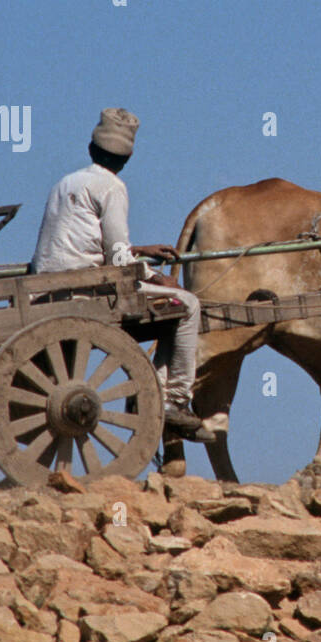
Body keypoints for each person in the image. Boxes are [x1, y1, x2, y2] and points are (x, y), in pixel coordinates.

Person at [31, 108, 204, 439]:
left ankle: (163, 395)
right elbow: (119, 259)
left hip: (45, 284)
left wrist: (141, 250)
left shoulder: (66, 182)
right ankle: (175, 400)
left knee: (174, 303)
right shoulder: (112, 188)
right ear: (127, 159)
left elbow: (80, 240)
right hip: (87, 289)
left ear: (90, 149)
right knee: (187, 305)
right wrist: (158, 278)